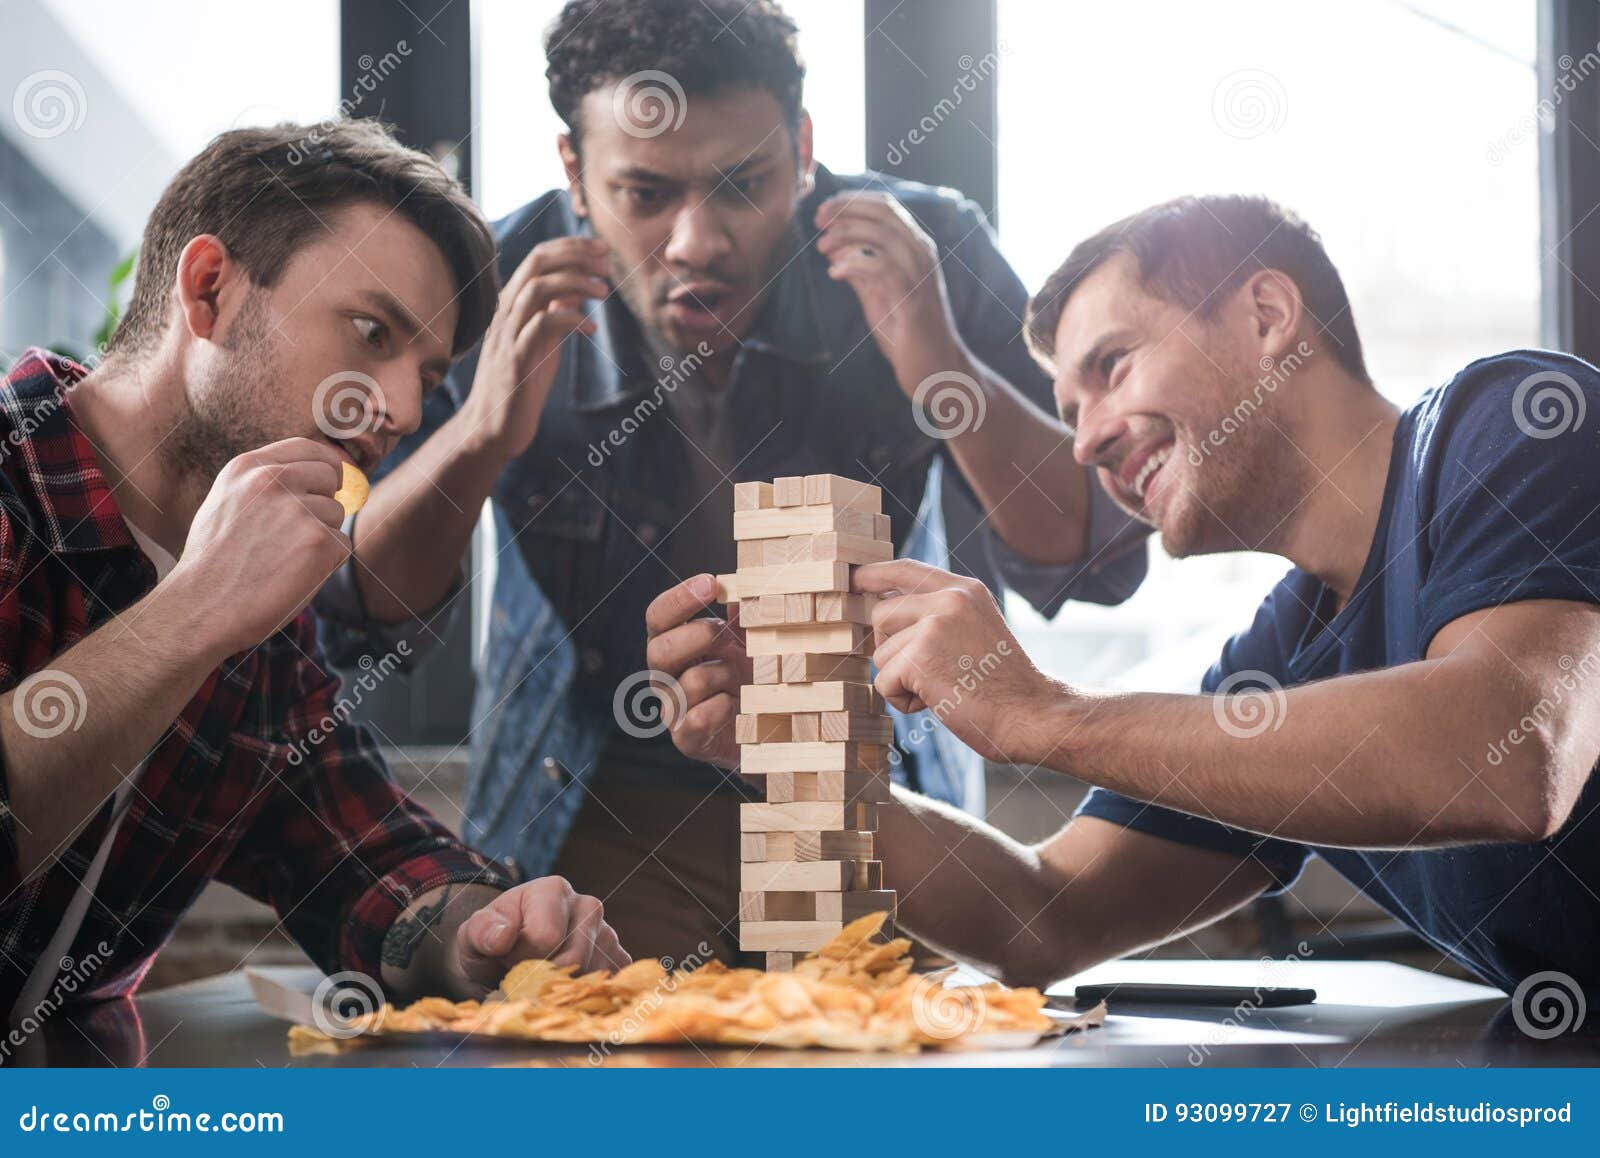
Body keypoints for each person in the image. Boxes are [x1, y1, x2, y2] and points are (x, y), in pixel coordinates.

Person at [317, 0, 1145, 964]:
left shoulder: (925, 246)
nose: (695, 242)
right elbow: (357, 611)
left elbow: (1096, 560)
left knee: (873, 1085)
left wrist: (937, 361)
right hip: (599, 795)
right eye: (645, 193)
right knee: (596, 1076)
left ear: (802, 150)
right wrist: (482, 432)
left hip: (855, 787)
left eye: (744, 184)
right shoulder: (498, 273)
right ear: (574, 175)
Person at [814, 194, 1597, 996]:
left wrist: (1038, 713)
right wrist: (801, 767)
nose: (1085, 443)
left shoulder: (1514, 424)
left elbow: (1508, 755)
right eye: (1072, 414)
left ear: (1267, 315)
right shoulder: (1282, 659)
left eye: (1112, 366)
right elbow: (1043, 915)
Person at [0, 120, 626, 1022]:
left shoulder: (261, 626)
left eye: (427, 371)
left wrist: (491, 934)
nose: (405, 408)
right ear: (208, 290)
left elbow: (364, 861)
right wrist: (195, 610)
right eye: (371, 331)